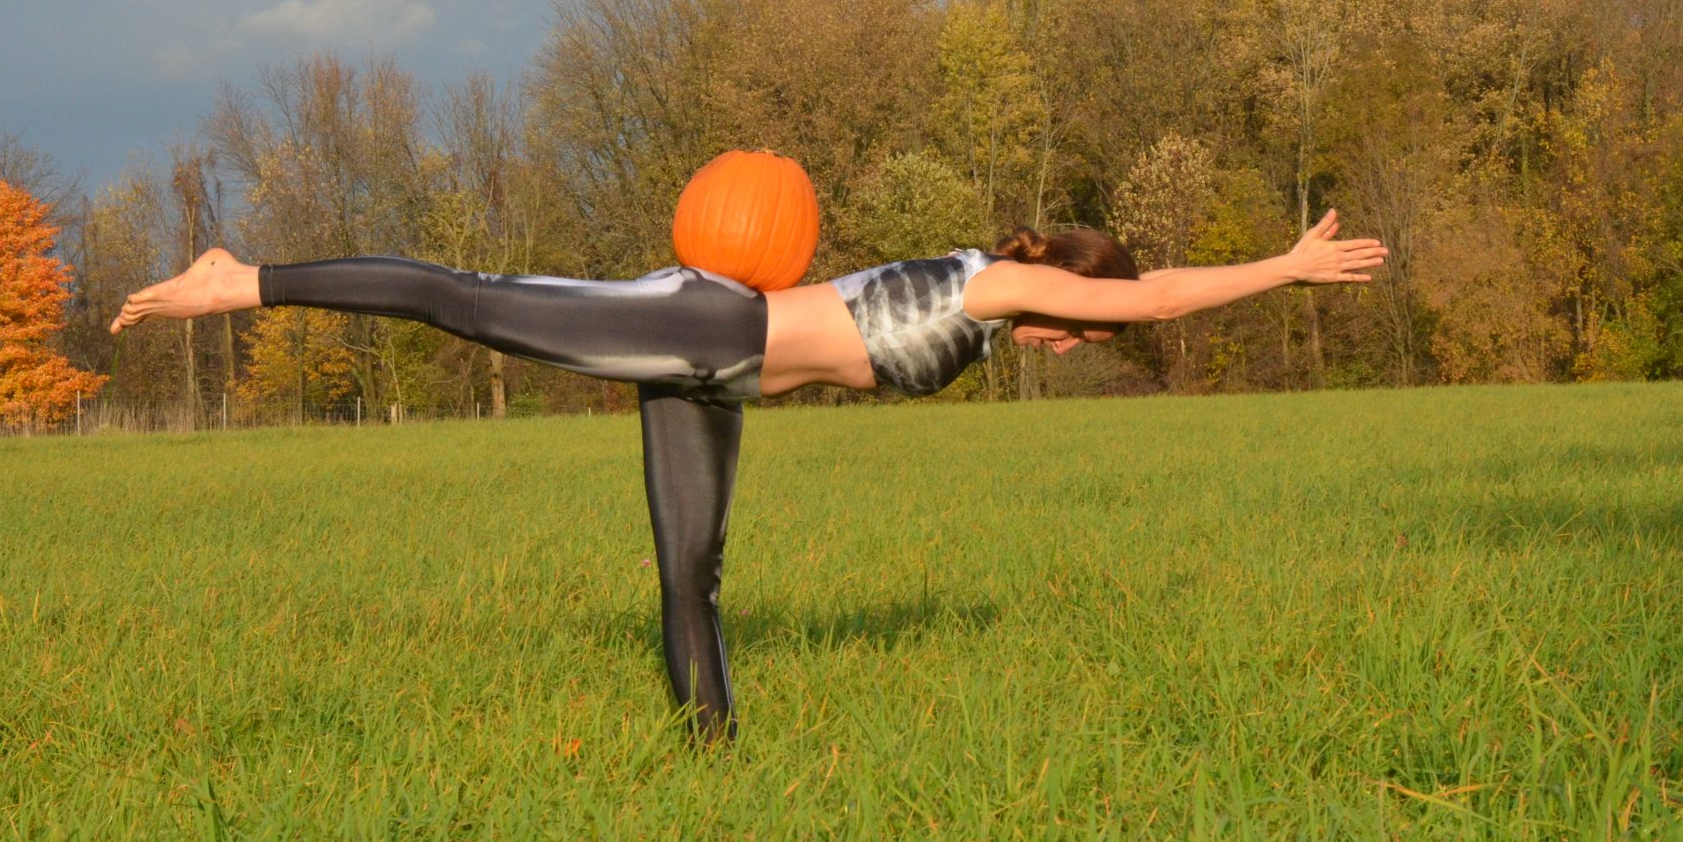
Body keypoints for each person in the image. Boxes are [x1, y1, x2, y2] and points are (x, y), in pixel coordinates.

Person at [112, 211, 1389, 737]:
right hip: (708, 329)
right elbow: (1158, 297)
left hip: (712, 374)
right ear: (1073, 289)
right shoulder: (995, 284)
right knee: (470, 302)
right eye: (1084, 325)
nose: (1074, 341)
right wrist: (1281, 267)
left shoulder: (987, 305)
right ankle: (244, 278)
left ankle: (710, 758)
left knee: (693, 572)